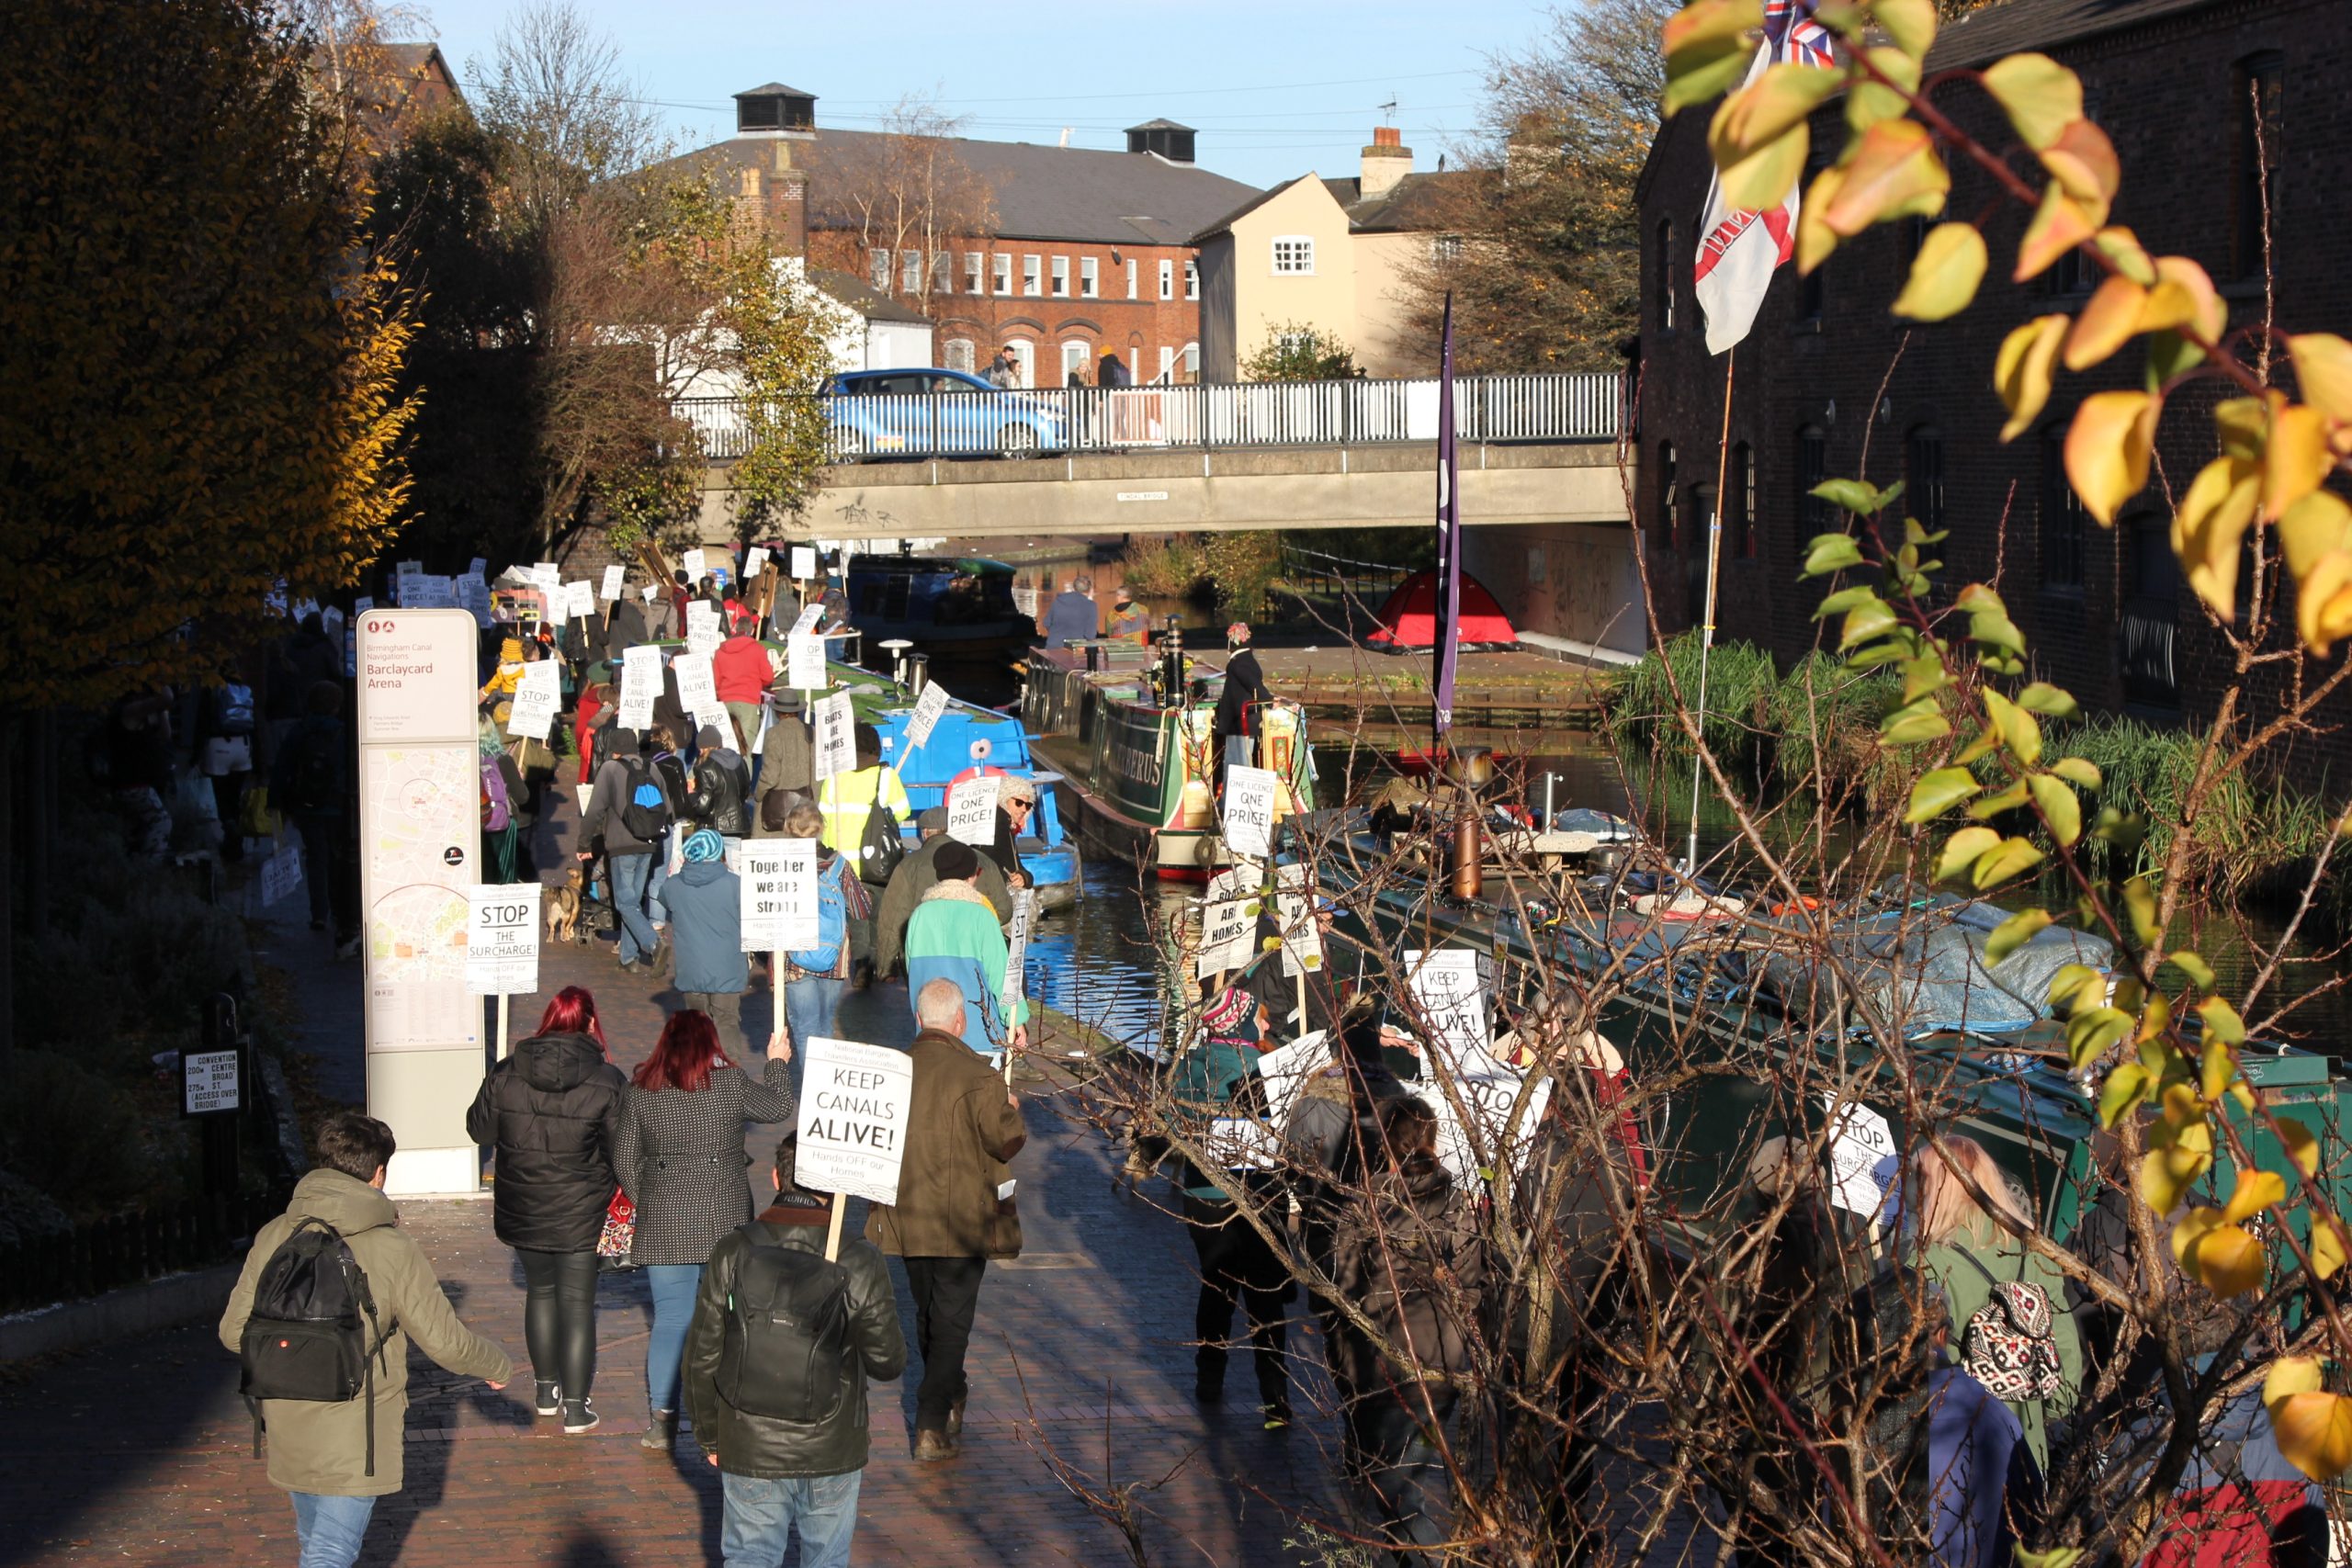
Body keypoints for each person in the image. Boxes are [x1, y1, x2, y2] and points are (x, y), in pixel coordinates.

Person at [220, 1113, 512, 1568]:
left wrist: (295, 1353)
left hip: (285, 1417)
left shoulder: (276, 1234)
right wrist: (496, 1364)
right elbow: (445, 1343)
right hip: (356, 1427)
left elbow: (232, 1332)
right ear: (378, 1173)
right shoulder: (392, 1248)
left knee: (313, 1545)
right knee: (330, 1554)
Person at [684, 1137, 908, 1568]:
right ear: (837, 1189)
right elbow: (888, 1362)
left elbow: (702, 1353)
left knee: (750, 1557)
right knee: (826, 1559)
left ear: (775, 1177)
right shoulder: (858, 1258)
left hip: (749, 1440)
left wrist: (710, 1434)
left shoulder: (735, 1249)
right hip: (831, 1441)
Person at [614, 1010, 797, 1452]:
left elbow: (623, 1159)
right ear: (711, 1043)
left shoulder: (642, 1091)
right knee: (730, 1317)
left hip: (665, 1219)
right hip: (723, 1214)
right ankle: (724, 1409)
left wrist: (651, 1199)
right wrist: (777, 1062)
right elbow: (777, 1107)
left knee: (671, 1320)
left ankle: (662, 1418)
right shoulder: (729, 1084)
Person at [864, 979, 1028, 1461]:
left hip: (907, 1215)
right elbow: (1005, 1141)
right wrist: (1011, 1111)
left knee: (931, 1313)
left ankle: (949, 1391)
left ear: (919, 1020)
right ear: (960, 1021)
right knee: (950, 1320)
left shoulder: (891, 1072)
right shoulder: (978, 1075)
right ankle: (931, 1422)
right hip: (963, 1218)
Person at [1330, 1097, 1488, 1565]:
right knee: (1407, 1476)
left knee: (1400, 1490)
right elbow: (1473, 1285)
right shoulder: (1456, 1203)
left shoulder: (1369, 1202)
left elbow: (1343, 1285)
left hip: (1391, 1364)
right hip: (1443, 1363)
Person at [464, 987, 626, 1434]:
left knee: (540, 1294)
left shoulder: (507, 1072)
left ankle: (545, 1391)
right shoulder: (608, 1080)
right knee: (577, 1304)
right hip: (583, 1209)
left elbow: (479, 1130)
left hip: (525, 1204)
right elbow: (623, 1153)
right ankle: (576, 1407)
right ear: (591, 1024)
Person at [1906, 1136, 2082, 1482]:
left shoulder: (1927, 1265)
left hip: (1952, 1458)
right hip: (2026, 1456)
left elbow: (1909, 1375)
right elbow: (2067, 1374)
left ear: (1939, 1189)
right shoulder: (2034, 1252)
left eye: (1921, 1180)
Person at [1171, 986, 1296, 1428]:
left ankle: (1209, 1380)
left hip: (1204, 1200)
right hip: (1258, 1197)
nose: (1265, 1024)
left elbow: (1171, 1131)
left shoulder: (1188, 1068)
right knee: (1264, 1300)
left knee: (1217, 1287)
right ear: (1244, 1022)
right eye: (1259, 1018)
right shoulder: (1269, 1070)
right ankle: (1275, 1398)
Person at [903, 840, 1026, 1060]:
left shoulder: (919, 916)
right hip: (981, 1035)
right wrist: (1015, 1020)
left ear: (939, 875)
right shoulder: (982, 916)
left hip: (931, 1034)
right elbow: (1001, 975)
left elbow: (913, 975)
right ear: (973, 875)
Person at [774, 804, 868, 1072]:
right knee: (825, 1027)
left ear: (790, 828)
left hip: (794, 959)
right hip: (833, 958)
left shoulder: (778, 862)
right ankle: (821, 1090)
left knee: (805, 1030)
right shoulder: (839, 864)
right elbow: (862, 909)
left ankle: (811, 1092)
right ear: (821, 828)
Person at [817, 722, 910, 984]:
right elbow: (902, 811)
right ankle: (881, 964)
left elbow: (824, 814)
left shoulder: (834, 777)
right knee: (879, 916)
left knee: (856, 916)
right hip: (877, 861)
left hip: (844, 861)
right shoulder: (886, 776)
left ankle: (861, 966)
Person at [577, 728, 673, 975]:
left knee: (625, 901)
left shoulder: (610, 769)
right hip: (649, 843)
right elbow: (668, 810)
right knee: (633, 901)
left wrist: (584, 844)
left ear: (615, 751)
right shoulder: (652, 768)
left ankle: (653, 943)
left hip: (621, 846)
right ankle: (628, 958)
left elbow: (594, 810)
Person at [875, 807, 1010, 981]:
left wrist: (886, 968)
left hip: (925, 958)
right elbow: (1004, 911)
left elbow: (892, 919)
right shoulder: (983, 861)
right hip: (974, 956)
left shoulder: (909, 865)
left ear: (925, 833)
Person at [271, 681, 356, 944]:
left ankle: (318, 913)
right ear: (336, 705)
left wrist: (275, 801)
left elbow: (283, 766)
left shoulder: (300, 731)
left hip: (306, 805)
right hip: (335, 804)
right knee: (337, 858)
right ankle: (340, 912)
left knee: (315, 857)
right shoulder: (343, 733)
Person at [664, 828, 748, 1040]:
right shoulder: (736, 885)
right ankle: (729, 1070)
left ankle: (699, 1071)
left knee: (696, 1029)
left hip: (691, 969)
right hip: (727, 968)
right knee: (727, 1023)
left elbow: (663, 900)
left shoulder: (672, 886)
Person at [194, 674, 259, 863]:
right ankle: (237, 843)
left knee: (220, 797)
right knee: (235, 795)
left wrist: (195, 755)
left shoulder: (211, 688)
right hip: (243, 745)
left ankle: (228, 836)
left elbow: (202, 722)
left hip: (218, 745)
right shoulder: (244, 688)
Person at [1213, 622, 1275, 773]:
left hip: (1240, 722)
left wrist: (1269, 701)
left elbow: (1254, 685)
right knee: (1239, 760)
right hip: (1243, 720)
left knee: (1238, 762)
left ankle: (1234, 790)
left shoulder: (1238, 664)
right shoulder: (1248, 660)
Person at [752, 693, 814, 835]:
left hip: (777, 810)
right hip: (805, 807)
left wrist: (758, 795)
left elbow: (770, 776)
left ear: (777, 711)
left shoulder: (773, 733)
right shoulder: (811, 731)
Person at [684, 722, 753, 842]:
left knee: (714, 860)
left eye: (701, 748)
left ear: (705, 747)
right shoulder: (740, 762)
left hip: (713, 828)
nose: (700, 751)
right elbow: (745, 792)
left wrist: (691, 794)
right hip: (738, 824)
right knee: (733, 860)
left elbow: (703, 806)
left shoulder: (705, 768)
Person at [713, 625, 775, 751]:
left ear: (735, 629)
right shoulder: (758, 649)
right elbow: (768, 677)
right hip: (748, 703)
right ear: (752, 630)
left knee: (724, 747)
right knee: (745, 749)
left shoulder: (720, 651)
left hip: (725, 702)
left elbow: (716, 682)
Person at [1040, 574, 1099, 648]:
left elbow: (1046, 623)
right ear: (1090, 590)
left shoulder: (1058, 601)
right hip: (1075, 651)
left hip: (1052, 649)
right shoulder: (1091, 606)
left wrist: (1058, 636)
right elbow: (1090, 635)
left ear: (1073, 589)